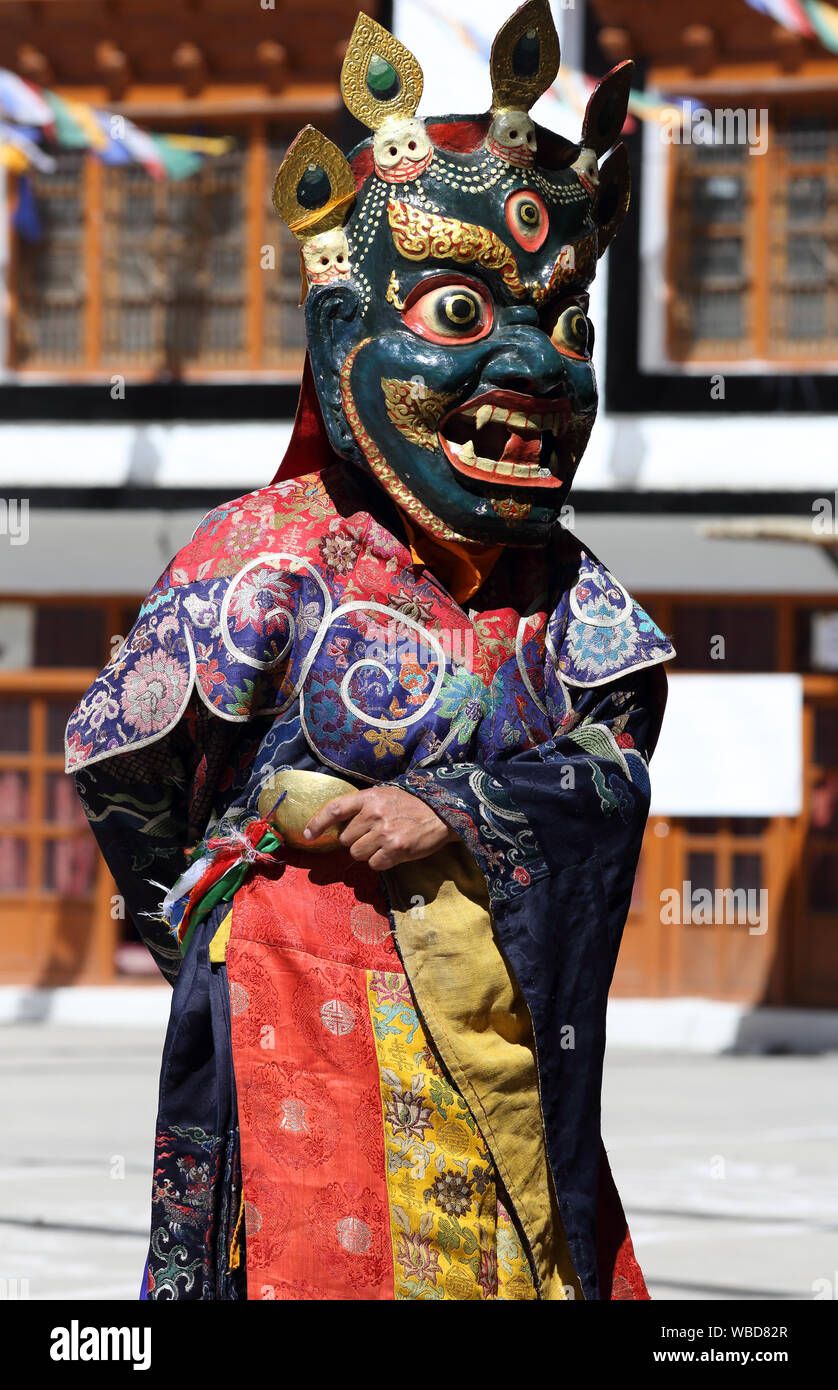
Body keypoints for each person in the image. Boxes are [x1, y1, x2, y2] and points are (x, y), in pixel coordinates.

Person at [66, 2, 674, 1301]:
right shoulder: (263, 555)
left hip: (503, 1046)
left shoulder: (571, 593)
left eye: (565, 326)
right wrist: (238, 908)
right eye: (460, 311)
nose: (536, 367)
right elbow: (125, 769)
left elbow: (612, 765)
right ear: (345, 339)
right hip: (296, 1022)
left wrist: (450, 808)